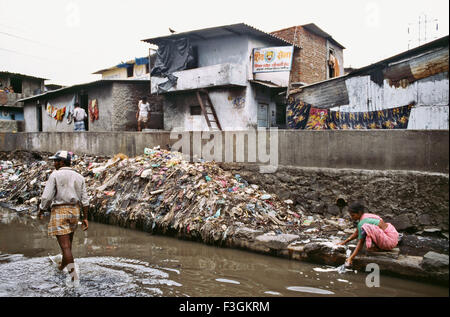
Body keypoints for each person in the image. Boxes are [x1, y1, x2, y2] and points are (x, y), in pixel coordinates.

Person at [38, 150, 89, 281]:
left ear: (62, 162)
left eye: (56, 160)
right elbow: (85, 200)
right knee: (68, 246)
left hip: (60, 211)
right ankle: (61, 268)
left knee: (65, 247)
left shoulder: (55, 175)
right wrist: (85, 218)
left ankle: (74, 278)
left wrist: (41, 210)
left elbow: (46, 196)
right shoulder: (79, 177)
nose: (54, 163)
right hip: (75, 212)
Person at [338, 201, 399, 266]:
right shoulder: (366, 216)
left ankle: (380, 248)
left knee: (367, 228)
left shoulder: (362, 223)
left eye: (353, 215)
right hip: (394, 238)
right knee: (366, 228)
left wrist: (351, 258)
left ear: (359, 213)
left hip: (389, 243)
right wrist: (344, 242)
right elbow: (357, 233)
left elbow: (361, 242)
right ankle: (378, 247)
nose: (352, 217)